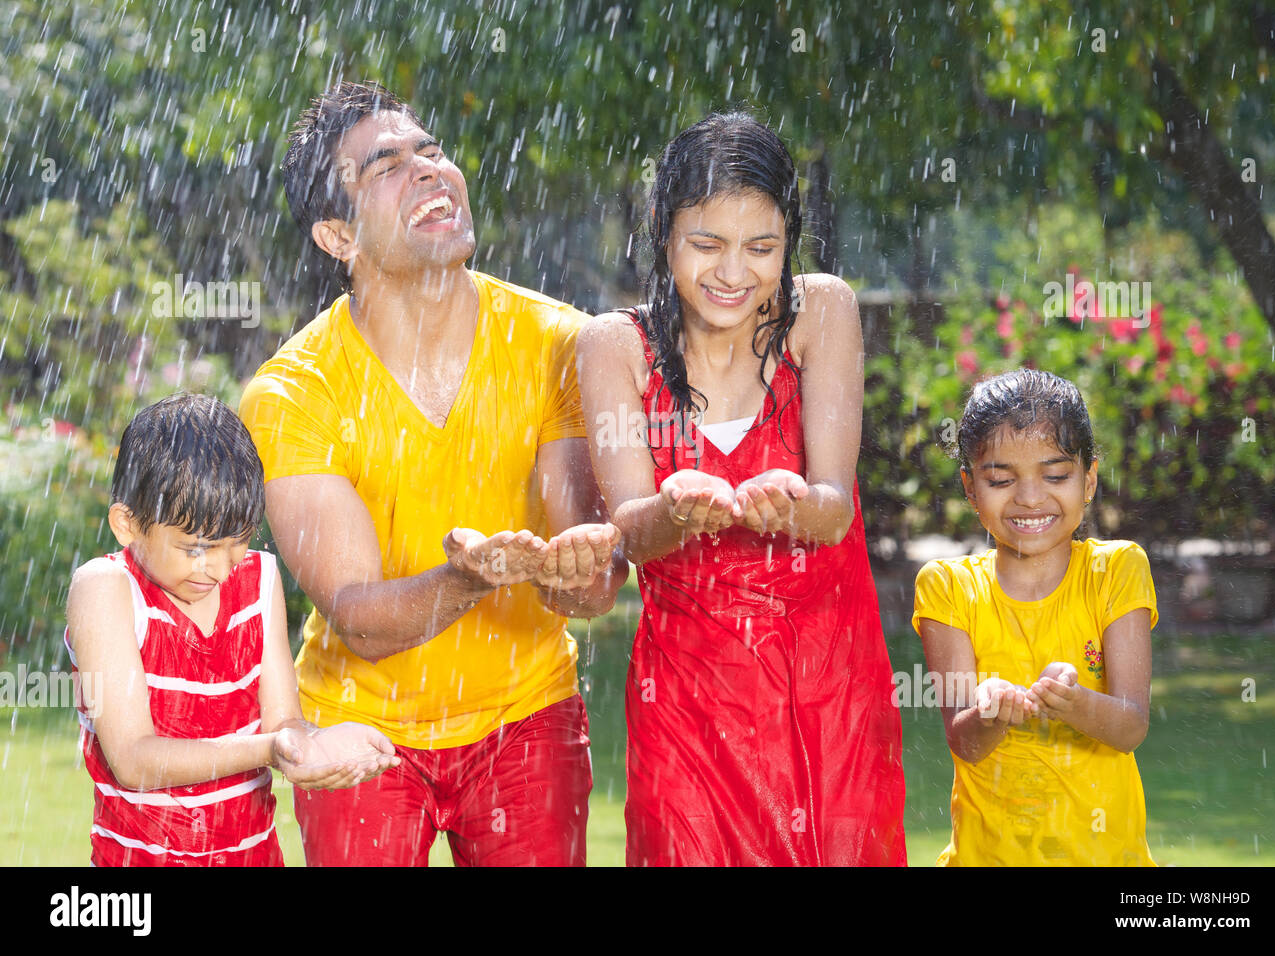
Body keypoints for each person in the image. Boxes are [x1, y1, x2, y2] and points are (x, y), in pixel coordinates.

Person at [238, 81, 626, 867]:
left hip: (527, 713)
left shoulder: (563, 344)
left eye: (433, 151)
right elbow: (357, 618)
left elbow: (585, 588)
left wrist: (582, 568)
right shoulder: (292, 394)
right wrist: (472, 578)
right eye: (384, 167)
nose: (428, 172)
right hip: (359, 727)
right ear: (335, 236)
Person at [577, 111, 906, 866]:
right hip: (689, 700)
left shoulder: (821, 311)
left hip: (828, 688)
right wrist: (671, 511)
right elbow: (631, 531)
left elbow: (831, 507)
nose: (734, 274)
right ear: (662, 229)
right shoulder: (614, 348)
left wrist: (796, 505)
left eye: (762, 248)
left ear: (790, 241)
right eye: (707, 245)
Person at [64, 393, 399, 867]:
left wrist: (312, 744)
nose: (220, 569)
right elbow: (134, 760)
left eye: (237, 542)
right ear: (128, 524)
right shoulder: (107, 591)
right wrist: (273, 749)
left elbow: (283, 721)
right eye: (196, 549)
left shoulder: (258, 581)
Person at [912, 367, 1158, 865]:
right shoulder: (947, 588)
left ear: (1088, 479)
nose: (1028, 497)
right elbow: (966, 743)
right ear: (970, 487)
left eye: (1055, 475)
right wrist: (991, 713)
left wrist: (1073, 702)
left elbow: (1130, 726)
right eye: (1001, 479)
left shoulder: (1115, 571)